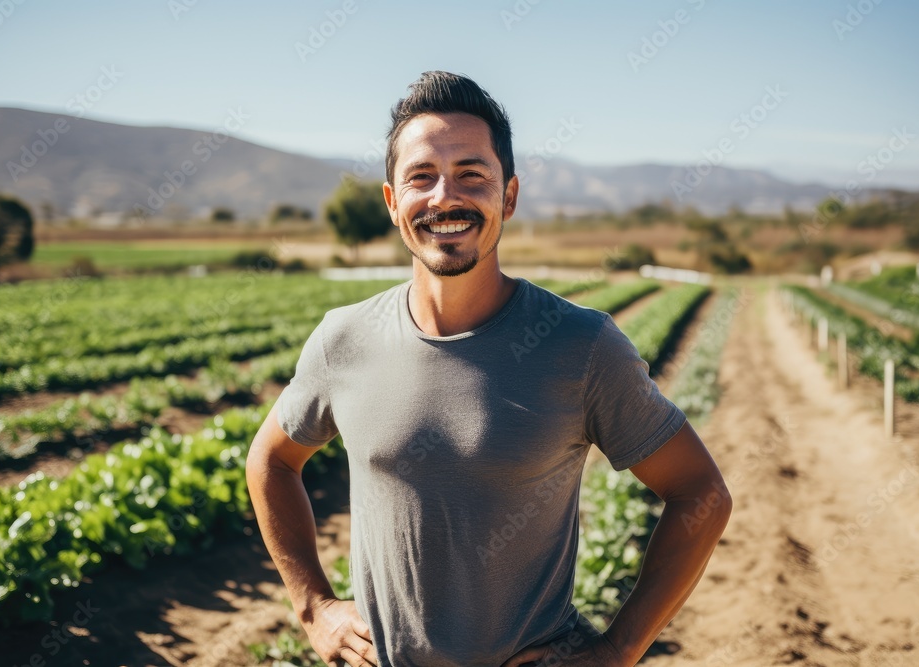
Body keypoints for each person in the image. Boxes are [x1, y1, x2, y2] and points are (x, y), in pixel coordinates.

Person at [246, 70, 732, 667]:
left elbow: (700, 492)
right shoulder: (344, 339)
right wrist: (314, 606)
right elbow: (270, 460)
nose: (444, 197)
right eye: (421, 177)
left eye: (471, 175)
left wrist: (617, 650)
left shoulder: (580, 346)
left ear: (509, 195)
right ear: (393, 201)